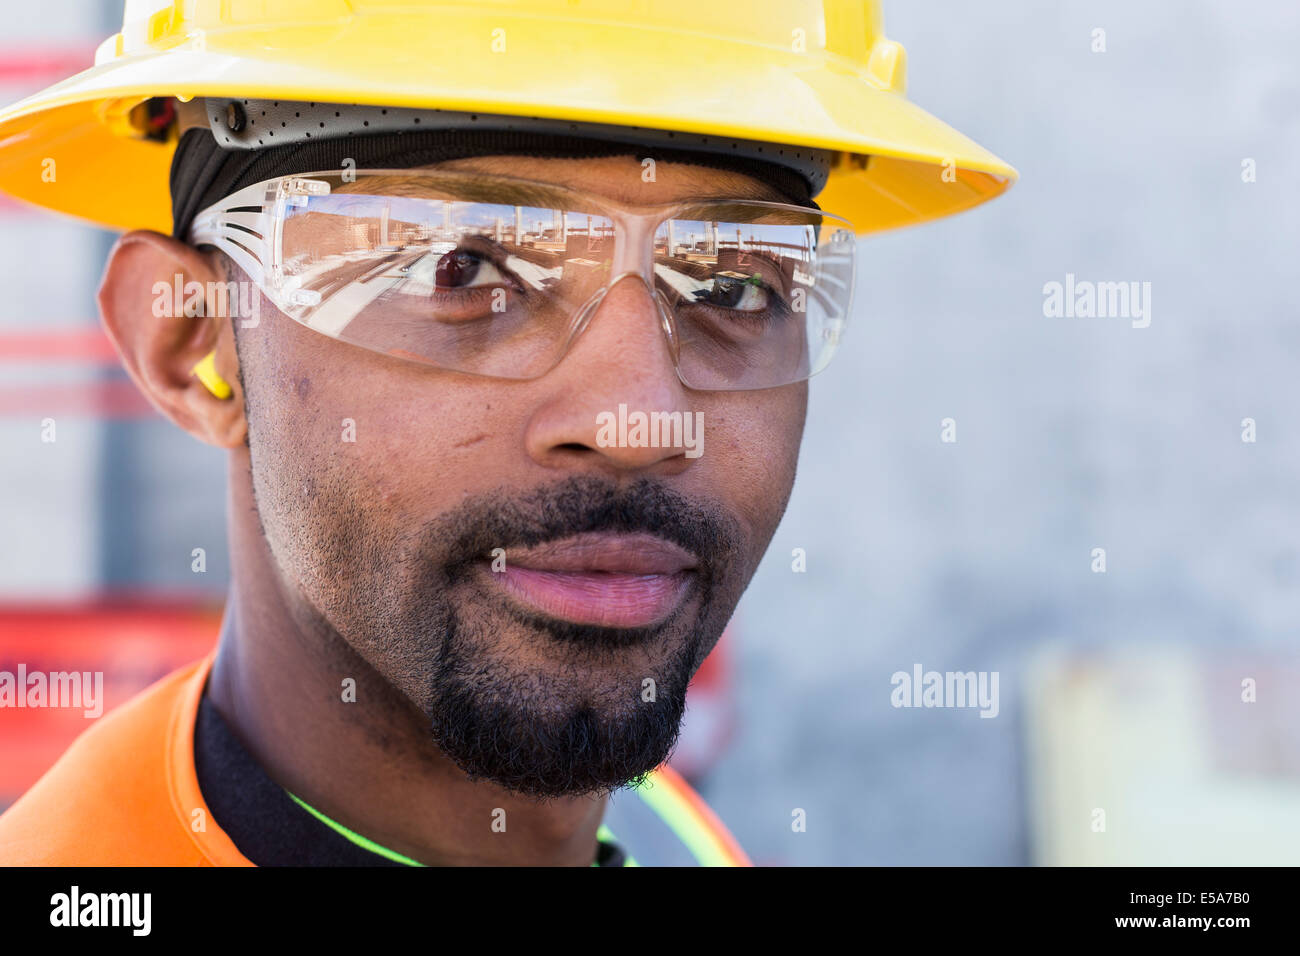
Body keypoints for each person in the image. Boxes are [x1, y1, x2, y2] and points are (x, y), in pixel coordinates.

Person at [0, 0, 1014, 866]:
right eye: (462, 270)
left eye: (731, 284)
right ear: (193, 341)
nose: (637, 418)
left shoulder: (680, 837)